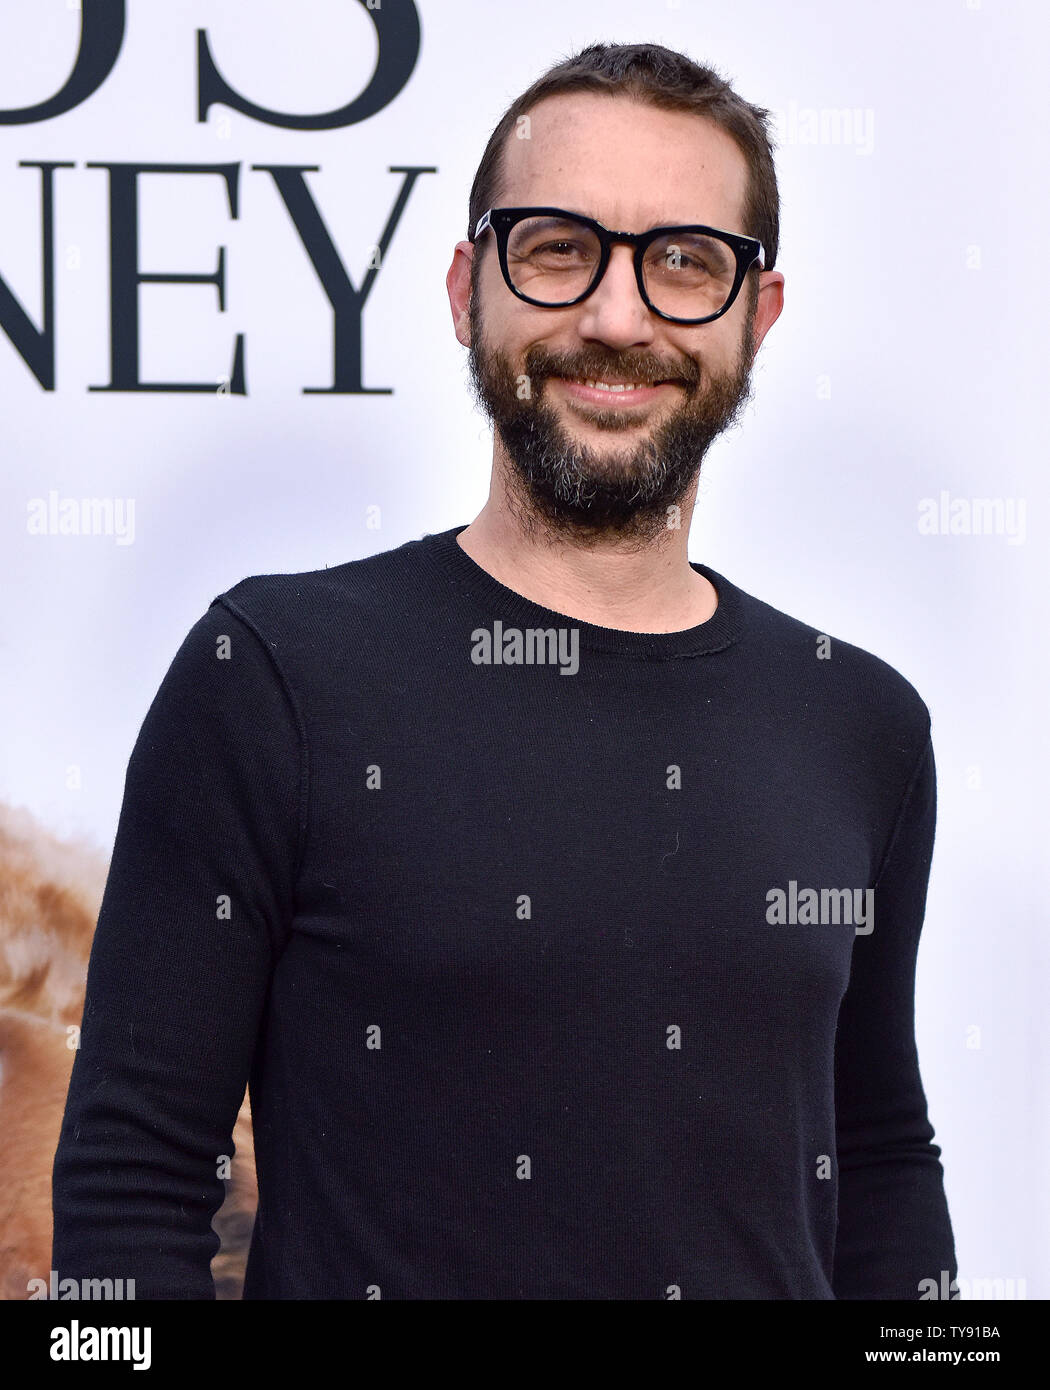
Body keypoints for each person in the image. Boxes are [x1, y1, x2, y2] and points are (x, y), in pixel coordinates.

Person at [52, 42, 956, 1299]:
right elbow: (134, 1181)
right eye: (556, 247)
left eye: (685, 261)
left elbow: (878, 1158)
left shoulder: (861, 722)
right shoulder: (270, 676)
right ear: (468, 284)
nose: (618, 317)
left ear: (761, 314)